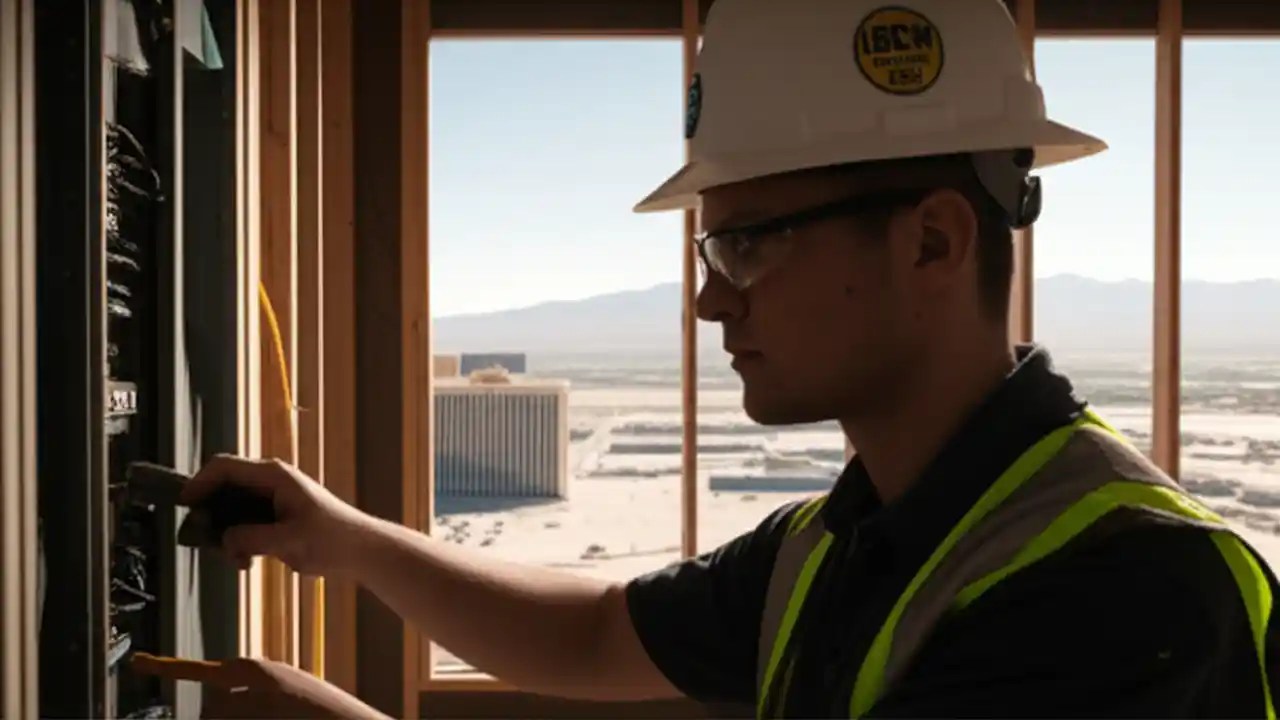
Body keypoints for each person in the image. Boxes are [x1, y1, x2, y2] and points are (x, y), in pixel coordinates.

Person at [181, 0, 1280, 716]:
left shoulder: (1127, 598)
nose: (708, 297)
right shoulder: (849, 541)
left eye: (745, 245)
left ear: (931, 241)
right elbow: (597, 633)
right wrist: (345, 538)